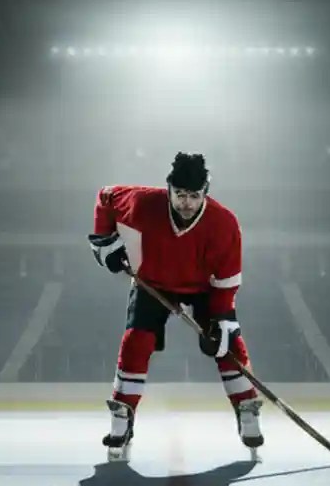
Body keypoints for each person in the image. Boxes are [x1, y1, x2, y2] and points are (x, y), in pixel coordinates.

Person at [88, 152, 263, 460]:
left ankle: (246, 406)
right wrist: (104, 243)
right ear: (168, 189)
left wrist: (221, 321)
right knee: (136, 342)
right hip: (152, 282)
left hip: (205, 288)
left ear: (205, 193)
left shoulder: (224, 223)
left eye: (194, 196)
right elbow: (105, 197)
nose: (185, 203)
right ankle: (122, 414)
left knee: (228, 343)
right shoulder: (142, 203)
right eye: (179, 194)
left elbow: (226, 281)